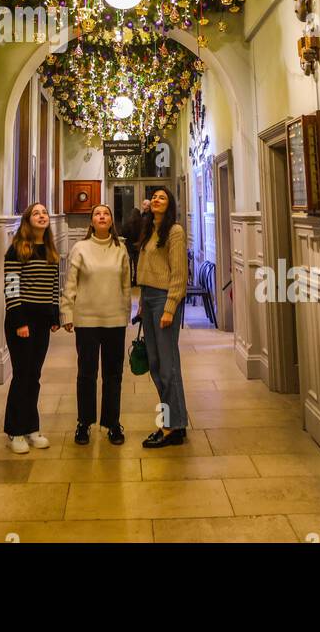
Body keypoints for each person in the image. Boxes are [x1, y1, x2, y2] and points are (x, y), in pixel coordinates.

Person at [61, 204, 131, 446]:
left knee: (113, 375)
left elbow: (126, 285)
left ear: (111, 220)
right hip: (86, 320)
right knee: (86, 374)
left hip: (115, 320)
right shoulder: (80, 248)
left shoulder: (120, 248)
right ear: (92, 222)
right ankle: (84, 422)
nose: (102, 216)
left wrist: (126, 314)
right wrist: (67, 312)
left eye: (106, 213)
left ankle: (112, 423)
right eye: (97, 214)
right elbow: (70, 283)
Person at [2, 203, 60, 454]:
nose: (42, 216)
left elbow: (54, 285)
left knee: (34, 375)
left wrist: (54, 315)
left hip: (42, 320)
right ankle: (15, 430)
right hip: (22, 319)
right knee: (21, 375)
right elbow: (12, 286)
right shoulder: (17, 249)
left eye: (44, 213)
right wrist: (19, 322)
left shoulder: (49, 249)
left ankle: (31, 427)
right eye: (36, 213)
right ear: (27, 220)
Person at [136, 186, 189, 448]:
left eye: (162, 197)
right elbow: (146, 267)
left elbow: (179, 274)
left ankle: (171, 427)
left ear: (170, 205)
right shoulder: (149, 228)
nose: (157, 200)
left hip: (164, 299)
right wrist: (142, 304)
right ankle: (175, 420)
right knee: (156, 365)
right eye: (154, 197)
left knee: (168, 367)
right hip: (148, 298)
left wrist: (169, 307)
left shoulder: (174, 231)